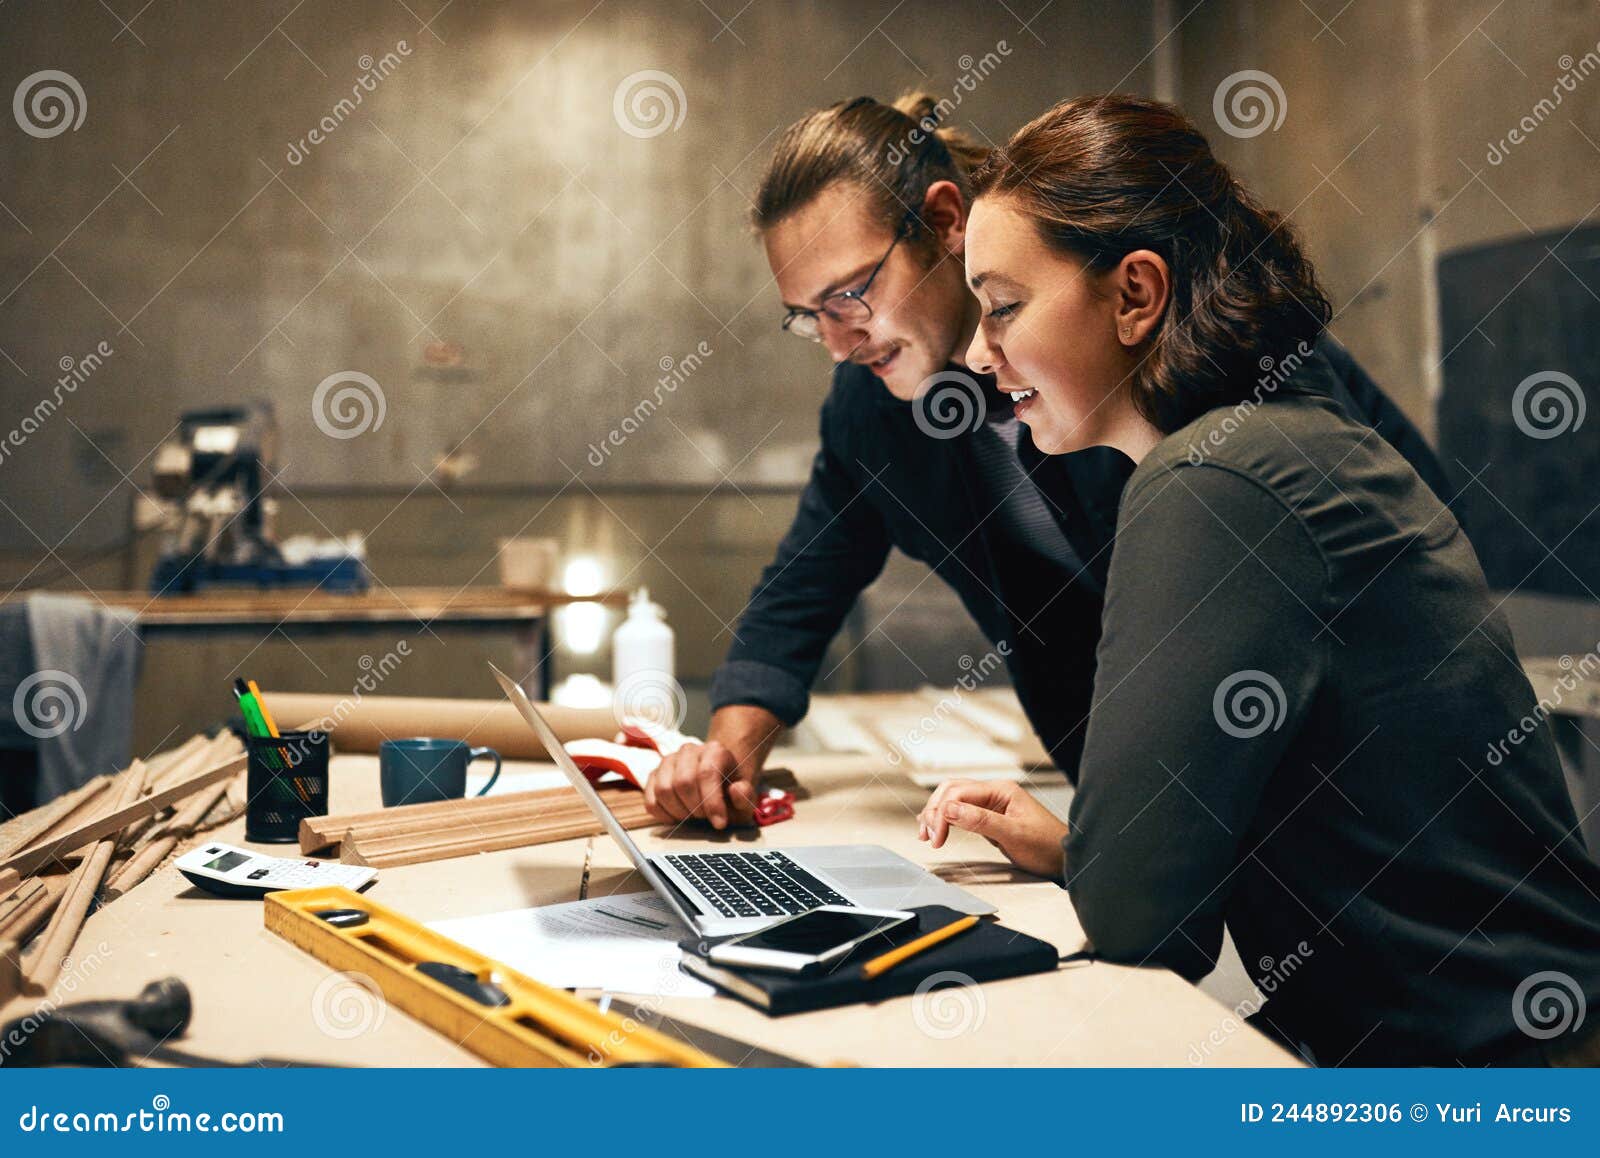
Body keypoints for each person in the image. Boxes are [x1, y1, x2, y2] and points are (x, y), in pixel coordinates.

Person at [918, 93, 1600, 1066]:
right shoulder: (1287, 445)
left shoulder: (1212, 485)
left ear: (1135, 294)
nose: (977, 353)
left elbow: (1142, 925)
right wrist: (1085, 849)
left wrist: (1106, 865)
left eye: (1002, 306)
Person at [645, 93, 1460, 833]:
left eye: (849, 294)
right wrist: (726, 754)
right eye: (806, 316)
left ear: (945, 220)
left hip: (1347, 768)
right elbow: (804, 585)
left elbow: (1375, 551)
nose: (834, 342)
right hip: (1136, 786)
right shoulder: (874, 412)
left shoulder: (1181, 344)